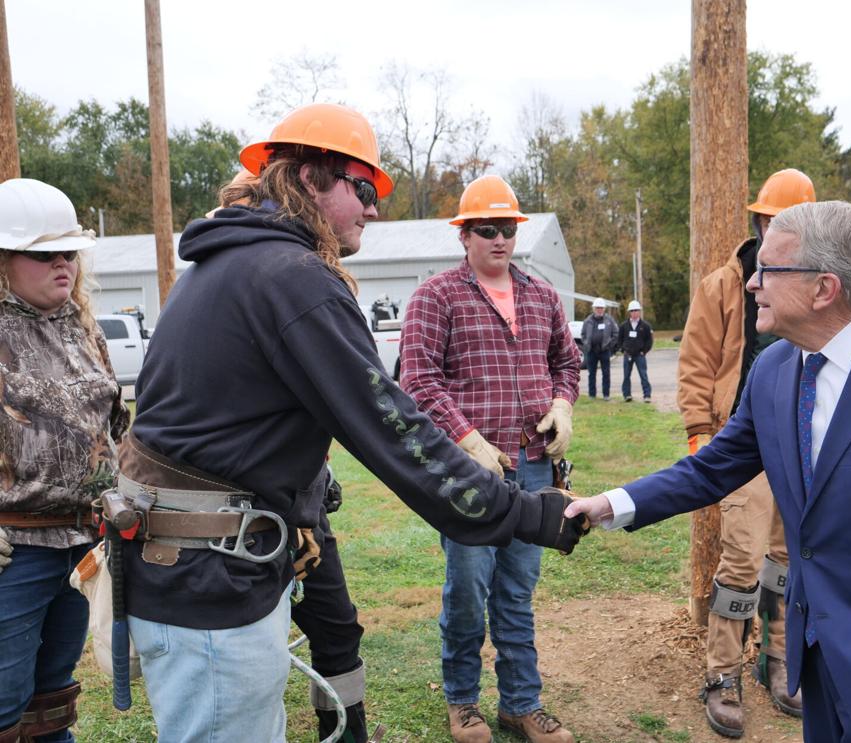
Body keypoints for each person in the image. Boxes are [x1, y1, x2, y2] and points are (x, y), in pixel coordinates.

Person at [118, 104, 588, 743]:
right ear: (312, 177)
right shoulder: (291, 278)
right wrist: (529, 513)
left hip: (207, 566)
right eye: (363, 189)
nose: (373, 210)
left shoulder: (237, 266)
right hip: (207, 579)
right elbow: (392, 426)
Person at [567, 200, 851, 743]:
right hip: (817, 666)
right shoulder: (774, 370)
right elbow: (713, 467)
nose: (751, 284)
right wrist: (611, 503)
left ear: (824, 288)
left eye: (768, 270)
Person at [400, 174, 581, 743]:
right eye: (487, 230)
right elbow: (419, 379)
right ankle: (463, 703)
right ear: (465, 235)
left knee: (516, 593)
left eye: (507, 229)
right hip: (469, 474)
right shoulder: (438, 296)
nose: (499, 239)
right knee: (467, 590)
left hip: (532, 468)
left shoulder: (542, 296)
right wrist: (467, 438)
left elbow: (567, 363)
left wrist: (562, 404)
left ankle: (521, 704)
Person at [217, 169, 368, 743]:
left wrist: (310, 495)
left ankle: (344, 731)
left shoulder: (315, 278)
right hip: (244, 518)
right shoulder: (250, 278)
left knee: (338, 630)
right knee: (252, 652)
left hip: (301, 508)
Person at [677, 168, 814, 736]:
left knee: (785, 560)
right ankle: (722, 673)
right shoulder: (724, 285)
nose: (781, 231)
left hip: (800, 441)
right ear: (758, 224)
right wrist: (699, 436)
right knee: (742, 560)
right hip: (739, 444)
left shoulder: (816, 281)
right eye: (773, 221)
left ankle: (777, 658)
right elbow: (694, 364)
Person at [0, 178, 129, 743]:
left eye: (70, 252)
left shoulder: (83, 328)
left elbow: (115, 427)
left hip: (82, 545)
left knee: (52, 699)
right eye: (43, 252)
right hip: (14, 554)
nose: (63, 264)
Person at [580, 297, 618, 400]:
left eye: (601, 308)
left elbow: (615, 334)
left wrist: (609, 346)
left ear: (604, 309)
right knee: (591, 373)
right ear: (593, 309)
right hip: (591, 351)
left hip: (604, 351)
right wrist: (587, 344)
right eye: (597, 308)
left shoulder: (609, 320)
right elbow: (583, 335)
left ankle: (606, 395)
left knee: (606, 373)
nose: (599, 310)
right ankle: (592, 395)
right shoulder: (588, 320)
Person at [618, 300, 653, 403]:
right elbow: (619, 339)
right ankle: (627, 395)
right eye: (632, 311)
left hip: (639, 355)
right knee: (626, 376)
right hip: (627, 354)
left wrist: (644, 351)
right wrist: (622, 349)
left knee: (643, 375)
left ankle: (647, 395)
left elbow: (649, 340)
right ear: (629, 312)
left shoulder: (645, 326)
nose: (634, 313)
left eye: (636, 310)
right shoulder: (624, 326)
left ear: (639, 312)